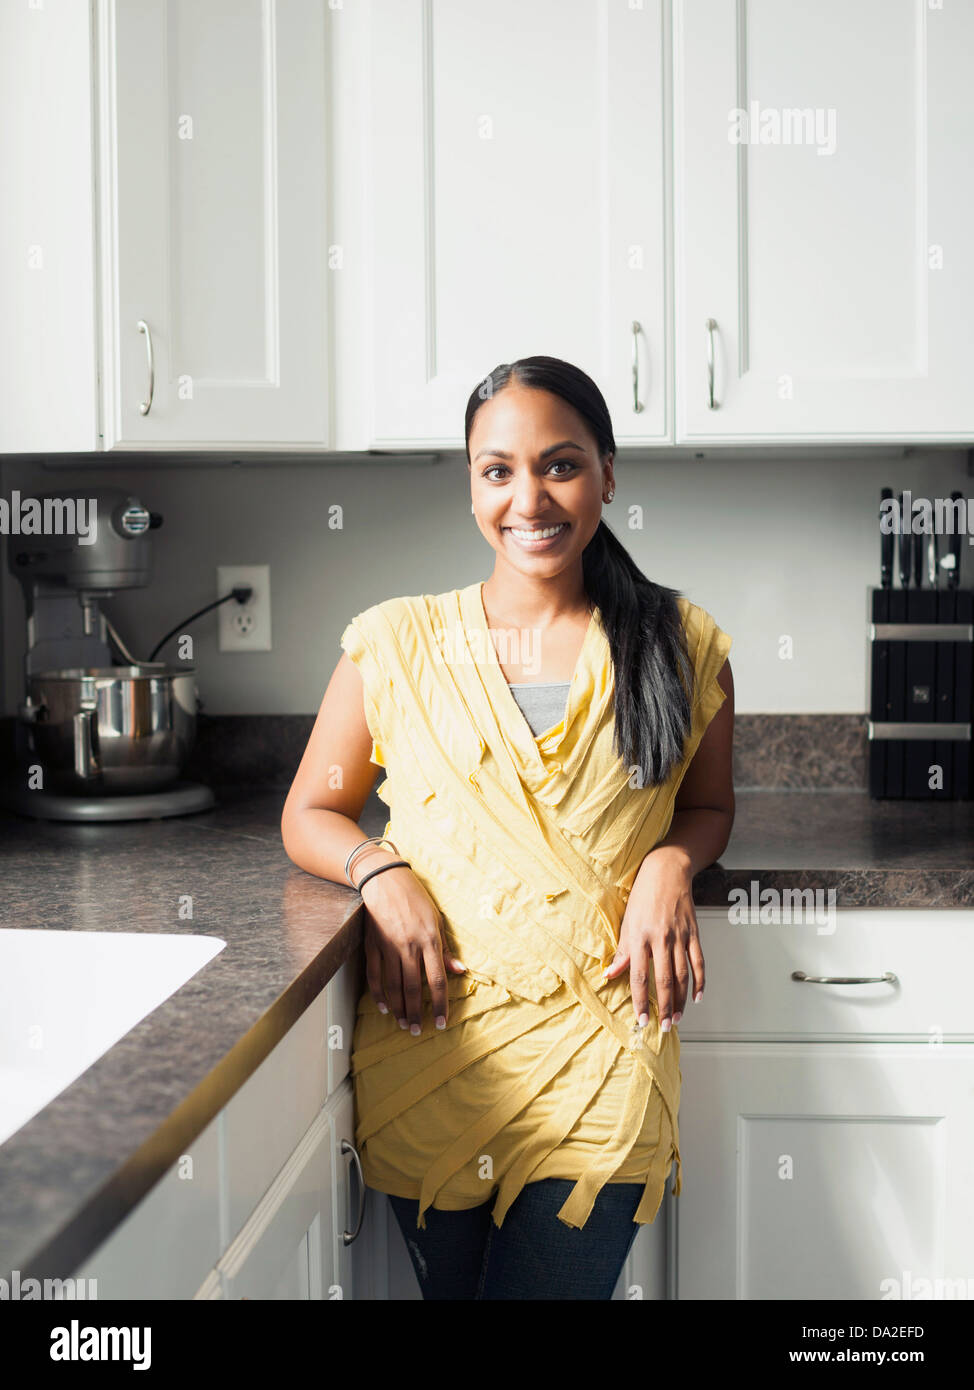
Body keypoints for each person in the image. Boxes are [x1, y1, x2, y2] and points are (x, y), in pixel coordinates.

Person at [281, 356, 735, 1300]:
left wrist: (669, 862)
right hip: (431, 1049)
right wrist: (378, 869)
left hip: (604, 1054)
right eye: (499, 471)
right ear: (472, 484)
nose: (530, 497)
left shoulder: (682, 645)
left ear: (608, 474)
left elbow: (709, 805)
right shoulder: (397, 644)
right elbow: (312, 811)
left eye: (561, 465)